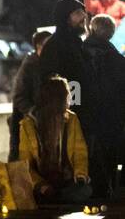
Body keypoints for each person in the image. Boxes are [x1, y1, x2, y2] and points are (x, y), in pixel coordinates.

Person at [19, 74, 91, 206]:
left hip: (66, 181)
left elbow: (80, 152)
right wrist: (41, 185)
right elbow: (25, 165)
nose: (68, 100)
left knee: (83, 191)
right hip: (41, 183)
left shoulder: (71, 119)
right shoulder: (28, 125)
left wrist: (80, 175)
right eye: (66, 96)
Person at [82, 15, 125, 200]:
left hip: (89, 115)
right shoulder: (116, 57)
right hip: (112, 116)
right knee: (109, 157)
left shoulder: (81, 52)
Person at [9, 29, 51, 161]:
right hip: (28, 124)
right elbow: (19, 96)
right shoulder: (30, 66)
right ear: (39, 46)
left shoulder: (45, 64)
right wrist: (33, 112)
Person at [38, 0, 88, 99]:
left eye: (83, 12)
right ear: (65, 18)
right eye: (78, 13)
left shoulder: (76, 43)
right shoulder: (55, 46)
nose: (84, 16)